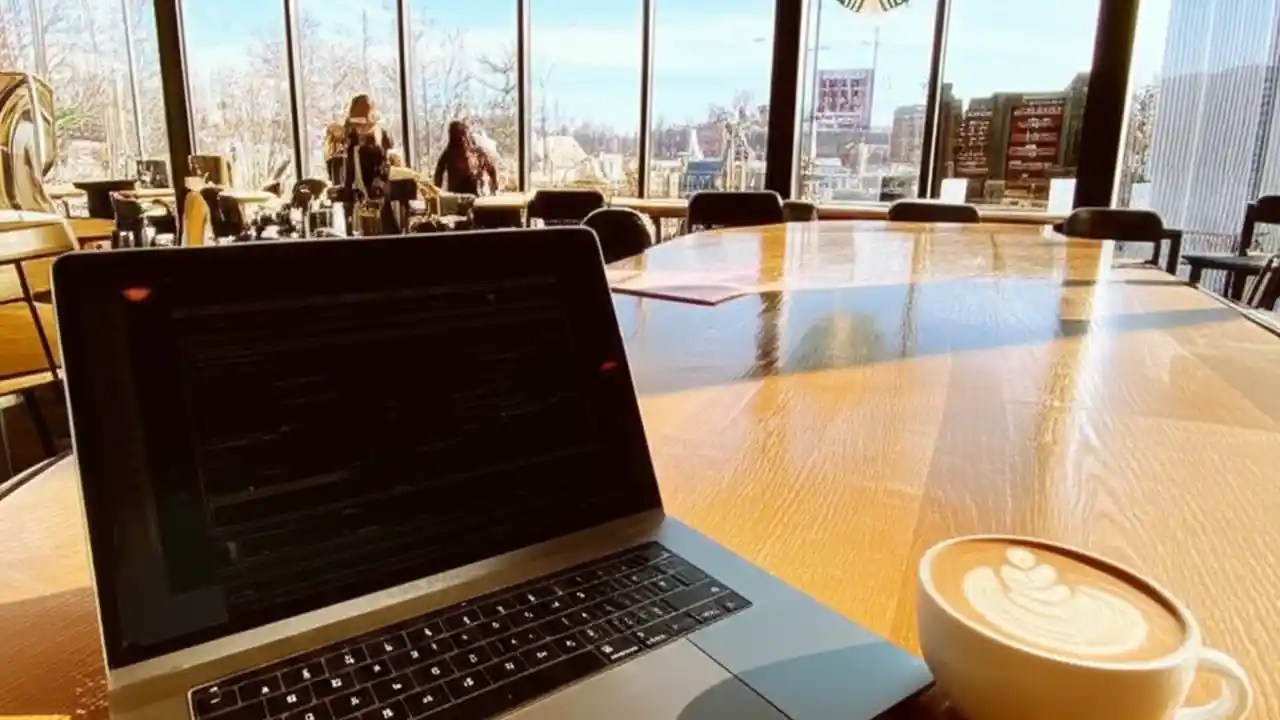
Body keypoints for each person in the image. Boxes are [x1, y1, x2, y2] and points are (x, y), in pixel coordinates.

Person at [432, 120, 498, 196]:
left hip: (475, 195)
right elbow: (438, 174)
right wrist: (436, 194)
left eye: (462, 134)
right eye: (455, 134)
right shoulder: (449, 153)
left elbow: (491, 169)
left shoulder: (476, 152)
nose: (461, 138)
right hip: (456, 196)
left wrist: (494, 186)